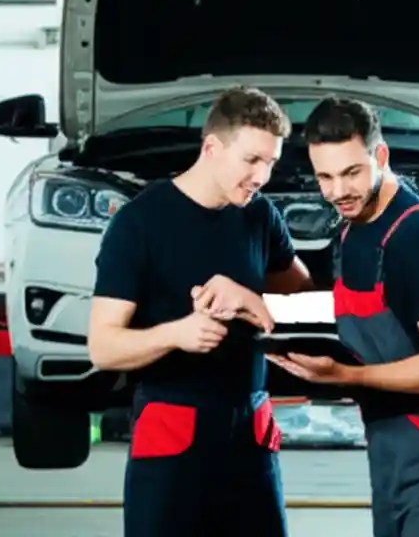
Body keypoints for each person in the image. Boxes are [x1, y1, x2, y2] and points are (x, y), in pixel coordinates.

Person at [267, 96, 419, 537]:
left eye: (351, 172)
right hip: (389, 446)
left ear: (380, 156)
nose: (338, 191)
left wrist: (345, 376)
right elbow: (356, 310)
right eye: (325, 177)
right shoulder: (353, 230)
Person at [87, 86, 313, 537]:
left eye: (270, 162)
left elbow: (306, 305)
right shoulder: (139, 223)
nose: (262, 176)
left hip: (249, 433)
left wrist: (255, 303)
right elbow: (103, 347)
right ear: (211, 148)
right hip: (173, 431)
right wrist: (176, 334)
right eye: (252, 160)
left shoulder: (260, 217)